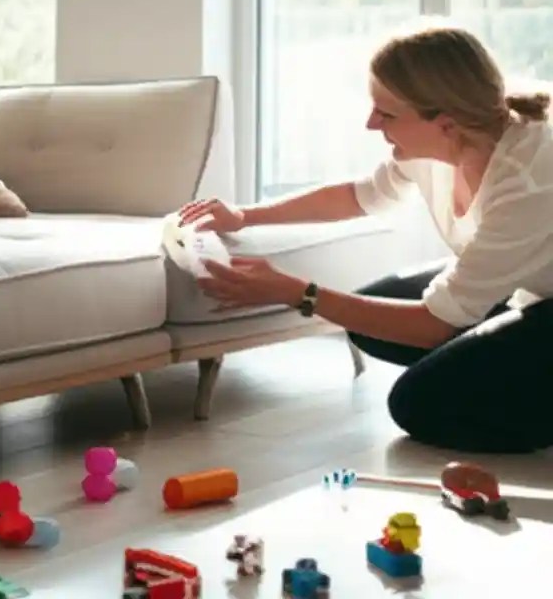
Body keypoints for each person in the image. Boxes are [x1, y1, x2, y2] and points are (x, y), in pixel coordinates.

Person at [179, 25, 553, 455]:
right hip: (530, 287)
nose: (371, 123)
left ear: (445, 123)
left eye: (387, 114)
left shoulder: (527, 182)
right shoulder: (444, 146)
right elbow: (359, 196)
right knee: (372, 319)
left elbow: (434, 325)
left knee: (418, 403)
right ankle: (505, 364)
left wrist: (296, 293)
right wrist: (245, 216)